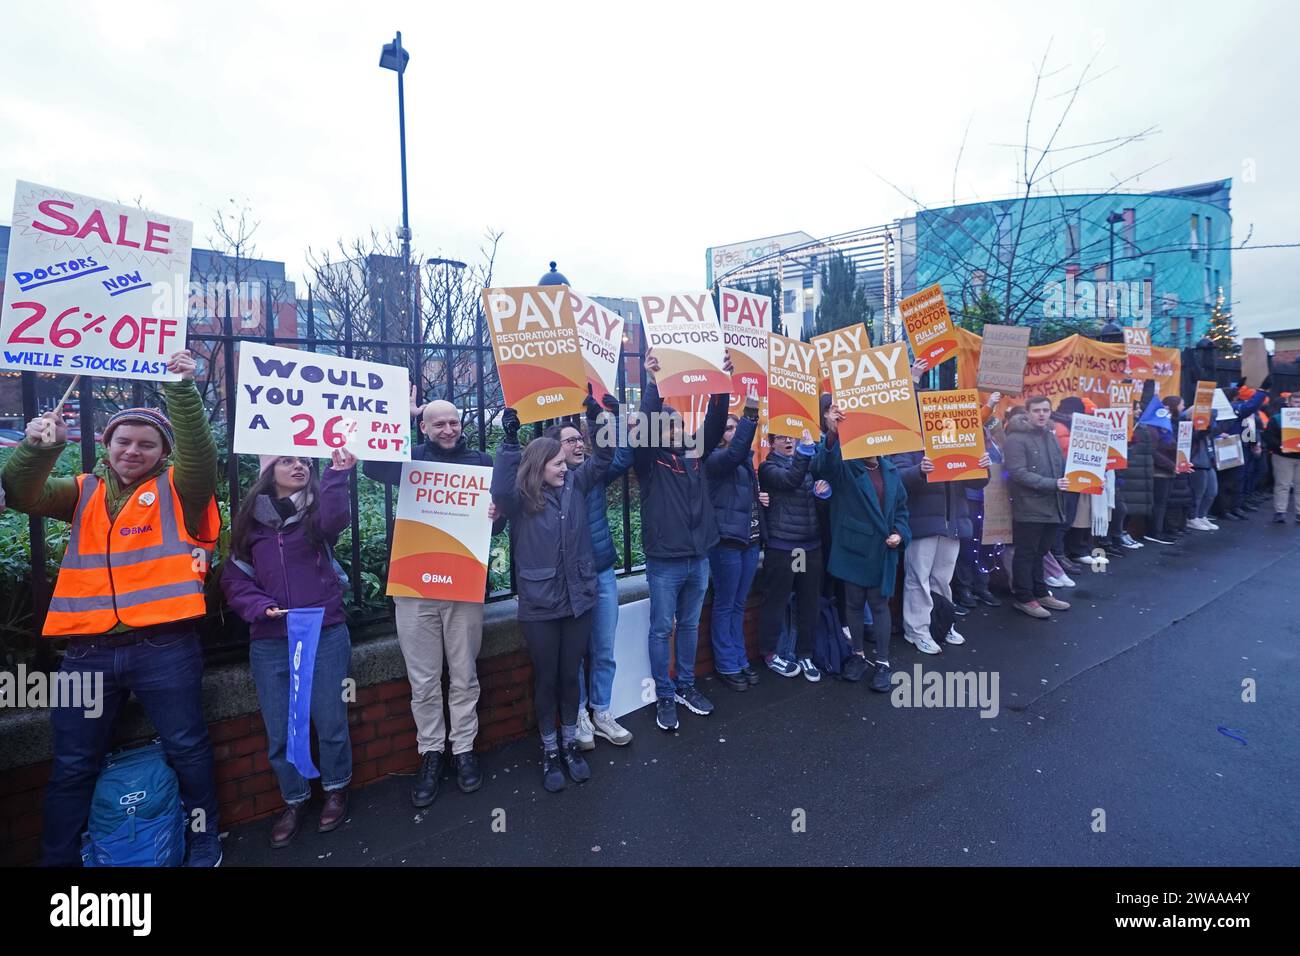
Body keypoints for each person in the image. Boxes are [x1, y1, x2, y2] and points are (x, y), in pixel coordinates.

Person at [2, 352, 224, 867]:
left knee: (187, 748)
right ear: (105, 445)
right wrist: (39, 450)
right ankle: (57, 859)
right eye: (123, 440)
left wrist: (181, 388)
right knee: (74, 765)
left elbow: (201, 458)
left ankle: (203, 838)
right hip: (86, 652)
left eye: (147, 444)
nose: (133, 450)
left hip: (164, 647)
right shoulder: (82, 491)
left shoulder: (181, 489)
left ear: (163, 453)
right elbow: (19, 494)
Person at [363, 400, 503, 805]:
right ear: (423, 426)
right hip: (414, 585)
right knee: (423, 681)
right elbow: (372, 466)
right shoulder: (408, 459)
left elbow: (497, 523)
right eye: (438, 423)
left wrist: (497, 514)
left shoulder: (482, 461)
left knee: (464, 675)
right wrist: (400, 417)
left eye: (454, 422)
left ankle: (463, 750)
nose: (448, 429)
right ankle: (431, 752)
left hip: (462, 584)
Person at [222, 450, 357, 847]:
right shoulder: (250, 525)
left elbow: (336, 519)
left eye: (304, 461)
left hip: (324, 631)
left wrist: (337, 474)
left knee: (330, 720)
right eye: (286, 460)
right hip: (271, 639)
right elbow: (234, 580)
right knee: (281, 728)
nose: (299, 465)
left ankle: (336, 788)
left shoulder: (318, 514)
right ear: (269, 473)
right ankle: (295, 798)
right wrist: (257, 607)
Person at [493, 396, 615, 791]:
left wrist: (597, 421)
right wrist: (510, 441)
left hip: (578, 599)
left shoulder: (577, 484)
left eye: (566, 462)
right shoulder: (521, 500)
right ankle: (549, 751)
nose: (566, 467)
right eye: (558, 463)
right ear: (539, 467)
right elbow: (501, 488)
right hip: (541, 605)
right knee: (547, 678)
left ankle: (569, 746)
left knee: (568, 677)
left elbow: (605, 457)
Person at [634, 350, 731, 732]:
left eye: (678, 427)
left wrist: (721, 385)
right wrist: (653, 385)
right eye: (668, 428)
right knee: (662, 629)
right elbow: (642, 427)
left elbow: (715, 422)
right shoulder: (649, 462)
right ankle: (664, 694)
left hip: (698, 558)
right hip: (665, 561)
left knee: (689, 626)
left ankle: (686, 687)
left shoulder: (695, 457)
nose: (676, 432)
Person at [543, 408, 635, 749]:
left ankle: (602, 713)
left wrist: (607, 415)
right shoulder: (546, 484)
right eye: (570, 441)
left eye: (580, 439)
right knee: (574, 653)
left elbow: (621, 454)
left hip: (603, 571)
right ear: (553, 449)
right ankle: (578, 714)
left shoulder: (592, 474)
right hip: (570, 580)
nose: (579, 445)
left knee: (604, 649)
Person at [813, 403, 910, 691]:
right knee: (853, 604)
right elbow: (822, 468)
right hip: (853, 548)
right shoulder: (846, 466)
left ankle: (883, 663)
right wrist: (831, 435)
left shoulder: (890, 470)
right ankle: (857, 655)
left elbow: (902, 510)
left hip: (881, 549)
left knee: (879, 605)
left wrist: (900, 534)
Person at [891, 441, 991, 654]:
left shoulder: (957, 438)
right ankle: (917, 631)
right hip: (924, 522)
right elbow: (896, 476)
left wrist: (982, 467)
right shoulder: (910, 438)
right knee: (918, 578)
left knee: (943, 579)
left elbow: (977, 482)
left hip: (952, 522)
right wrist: (918, 470)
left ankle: (942, 624)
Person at [704, 389, 765, 692]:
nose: (733, 430)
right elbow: (733, 453)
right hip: (726, 542)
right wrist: (750, 414)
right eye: (728, 427)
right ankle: (727, 663)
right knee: (725, 604)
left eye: (736, 425)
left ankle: (740, 659)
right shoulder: (715, 458)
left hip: (750, 541)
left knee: (739, 604)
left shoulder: (745, 462)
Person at [757, 428, 824, 681]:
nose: (788, 441)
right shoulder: (768, 468)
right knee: (776, 601)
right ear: (771, 442)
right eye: (781, 438)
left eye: (791, 437)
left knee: (809, 602)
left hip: (810, 544)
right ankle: (771, 653)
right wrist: (806, 451)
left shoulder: (808, 463)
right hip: (784, 546)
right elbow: (790, 480)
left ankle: (805, 653)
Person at [1002, 395, 1072, 620]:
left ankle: (1040, 592)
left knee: (1041, 552)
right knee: (1026, 552)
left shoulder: (1050, 435)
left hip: (1052, 504)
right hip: (1029, 506)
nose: (1042, 414)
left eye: (1045, 410)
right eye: (1037, 411)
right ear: (1027, 413)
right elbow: (1018, 473)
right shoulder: (1016, 438)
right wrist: (1053, 484)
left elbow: (1057, 466)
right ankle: (1024, 597)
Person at [1144, 396, 1181, 545]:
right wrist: (1171, 465)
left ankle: (1161, 530)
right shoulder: (1153, 429)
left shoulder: (1166, 428)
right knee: (1158, 503)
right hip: (1159, 471)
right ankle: (1154, 532)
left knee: (1163, 502)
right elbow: (1153, 451)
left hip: (1168, 469)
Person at [1262, 390, 1300, 523]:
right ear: (1289, 403)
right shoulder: (1277, 418)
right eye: (1295, 402)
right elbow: (1268, 436)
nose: (1298, 405)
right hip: (1283, 456)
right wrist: (1280, 447)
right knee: (1282, 484)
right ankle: (1280, 511)